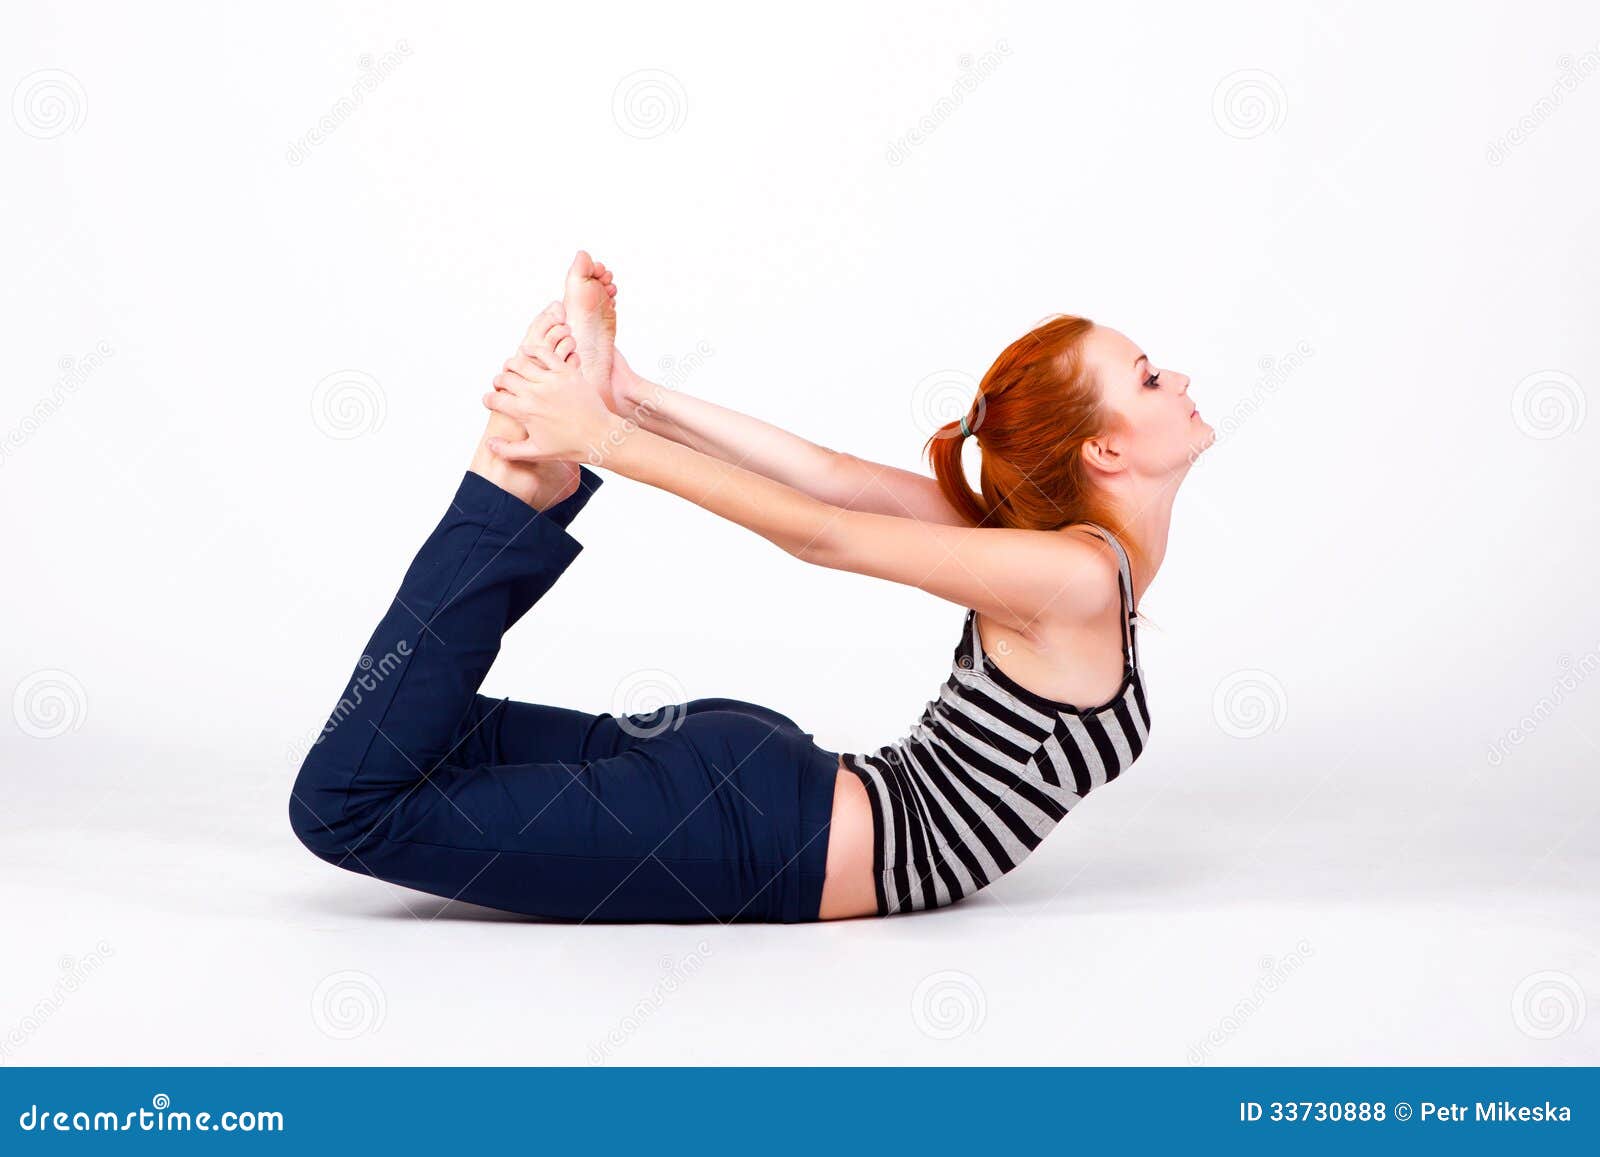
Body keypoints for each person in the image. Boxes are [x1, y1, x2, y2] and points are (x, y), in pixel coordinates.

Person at [289, 252, 1214, 921]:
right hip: (763, 828)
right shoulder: (1078, 572)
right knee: (347, 804)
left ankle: (517, 490)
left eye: (1150, 370)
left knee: (405, 756)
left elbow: (834, 504)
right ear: (1104, 448)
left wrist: (603, 428)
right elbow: (830, 497)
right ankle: (512, 487)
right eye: (1148, 375)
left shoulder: (1068, 567)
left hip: (766, 799)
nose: (1175, 376)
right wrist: (622, 404)